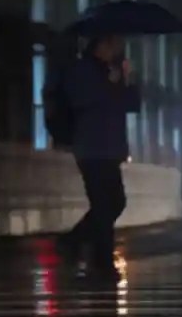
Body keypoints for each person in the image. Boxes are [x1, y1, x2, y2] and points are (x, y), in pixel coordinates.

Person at [58, 34, 140, 278]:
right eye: (114, 45)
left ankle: (73, 241)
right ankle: (101, 263)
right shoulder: (82, 70)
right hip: (92, 147)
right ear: (101, 44)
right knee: (105, 205)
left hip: (110, 148)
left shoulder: (111, 71)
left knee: (114, 202)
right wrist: (110, 84)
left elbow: (130, 104)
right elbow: (83, 101)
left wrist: (127, 79)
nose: (117, 51)